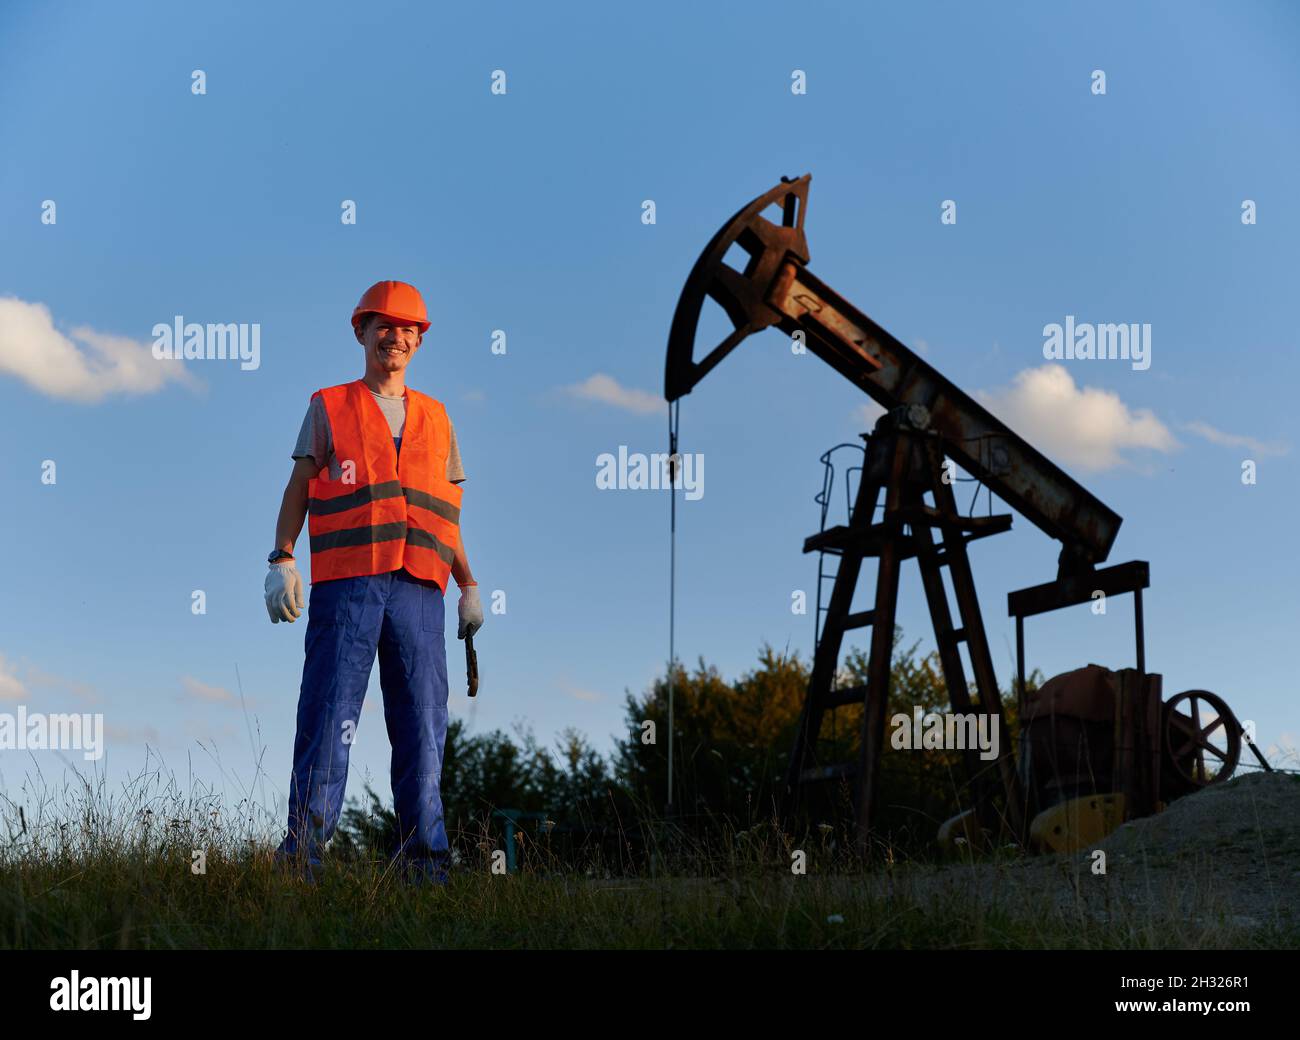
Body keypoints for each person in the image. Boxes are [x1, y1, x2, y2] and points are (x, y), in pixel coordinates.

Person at [264, 279, 483, 884]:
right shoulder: (330, 404)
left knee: (423, 724)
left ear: (420, 340)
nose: (396, 336)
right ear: (360, 331)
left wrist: (468, 584)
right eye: (384, 325)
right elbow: (300, 488)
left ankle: (425, 868)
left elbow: (444, 512)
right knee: (329, 715)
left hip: (420, 588)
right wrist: (282, 557)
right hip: (348, 586)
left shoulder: (438, 418)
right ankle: (300, 865)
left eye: (408, 328)